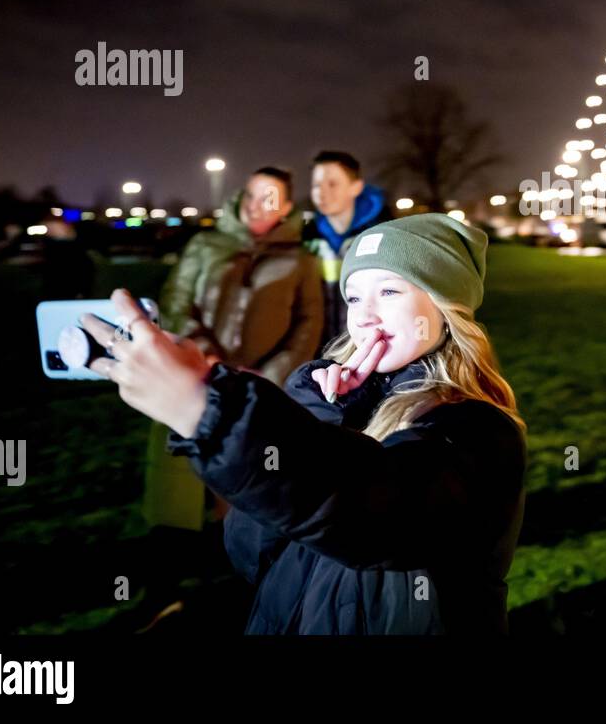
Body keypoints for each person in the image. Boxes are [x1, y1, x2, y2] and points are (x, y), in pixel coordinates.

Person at [84, 213, 527, 634]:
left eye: (389, 292)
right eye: (354, 297)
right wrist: (317, 413)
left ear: (446, 306)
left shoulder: (475, 429)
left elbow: (373, 513)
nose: (364, 315)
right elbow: (250, 551)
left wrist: (212, 414)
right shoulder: (330, 403)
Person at [144, 167, 322, 532]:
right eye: (253, 194)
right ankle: (175, 545)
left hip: (257, 384)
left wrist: (269, 374)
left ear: (286, 206)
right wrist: (206, 354)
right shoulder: (205, 246)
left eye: (270, 197)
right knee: (184, 466)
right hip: (194, 374)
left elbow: (308, 322)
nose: (259, 204)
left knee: (248, 470)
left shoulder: (301, 259)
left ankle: (233, 544)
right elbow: (175, 301)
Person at [303, 152, 394, 350]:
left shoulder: (385, 235)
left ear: (356, 187)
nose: (321, 192)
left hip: (373, 349)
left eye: (332, 184)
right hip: (318, 351)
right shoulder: (307, 238)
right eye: (316, 185)